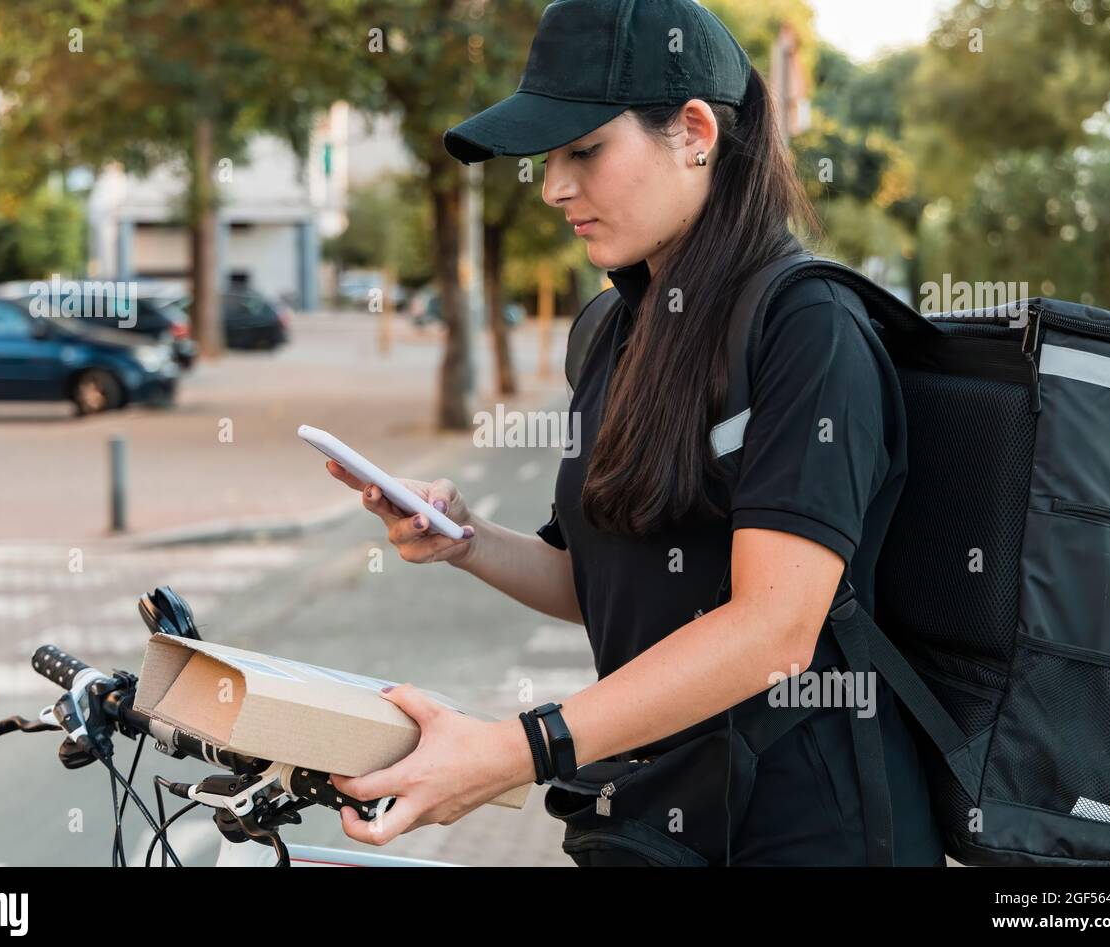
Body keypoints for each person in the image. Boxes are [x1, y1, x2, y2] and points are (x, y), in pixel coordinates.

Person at [325, 0, 944, 866]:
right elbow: (605, 583)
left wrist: (510, 751)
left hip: (808, 829)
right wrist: (467, 539)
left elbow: (773, 629)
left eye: (585, 151)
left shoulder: (808, 326)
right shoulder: (610, 329)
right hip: (659, 823)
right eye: (548, 159)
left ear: (695, 132)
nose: (552, 186)